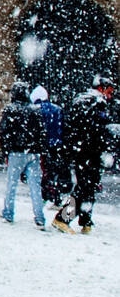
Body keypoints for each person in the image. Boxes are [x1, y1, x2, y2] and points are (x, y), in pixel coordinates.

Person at [53, 76, 117, 235]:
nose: (111, 95)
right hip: (91, 152)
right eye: (109, 91)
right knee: (85, 187)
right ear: (102, 88)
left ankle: (86, 221)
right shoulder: (96, 103)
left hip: (81, 151)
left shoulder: (81, 101)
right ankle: (63, 219)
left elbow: (74, 128)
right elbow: (98, 130)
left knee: (88, 186)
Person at [0, 81, 47, 228]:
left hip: (16, 152)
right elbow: (41, 133)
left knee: (11, 184)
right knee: (35, 186)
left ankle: (8, 213)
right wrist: (39, 149)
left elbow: (4, 132)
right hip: (33, 152)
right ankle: (39, 217)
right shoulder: (35, 110)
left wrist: (5, 151)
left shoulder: (10, 110)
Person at [31, 86, 66, 205]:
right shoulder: (57, 109)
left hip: (43, 146)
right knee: (54, 170)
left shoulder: (35, 110)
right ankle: (56, 195)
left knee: (45, 171)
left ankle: (47, 195)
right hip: (56, 145)